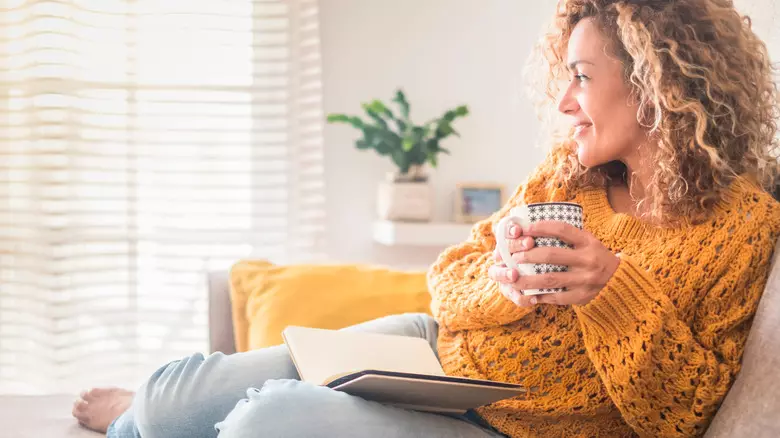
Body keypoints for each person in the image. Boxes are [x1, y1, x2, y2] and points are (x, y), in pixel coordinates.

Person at [73, 0, 780, 437]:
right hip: (429, 353)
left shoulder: (741, 228)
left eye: (582, 77)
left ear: (660, 84)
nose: (563, 101)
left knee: (264, 422)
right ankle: (146, 421)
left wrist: (610, 292)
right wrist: (503, 280)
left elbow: (685, 416)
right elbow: (447, 282)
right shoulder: (570, 174)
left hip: (515, 429)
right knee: (172, 397)